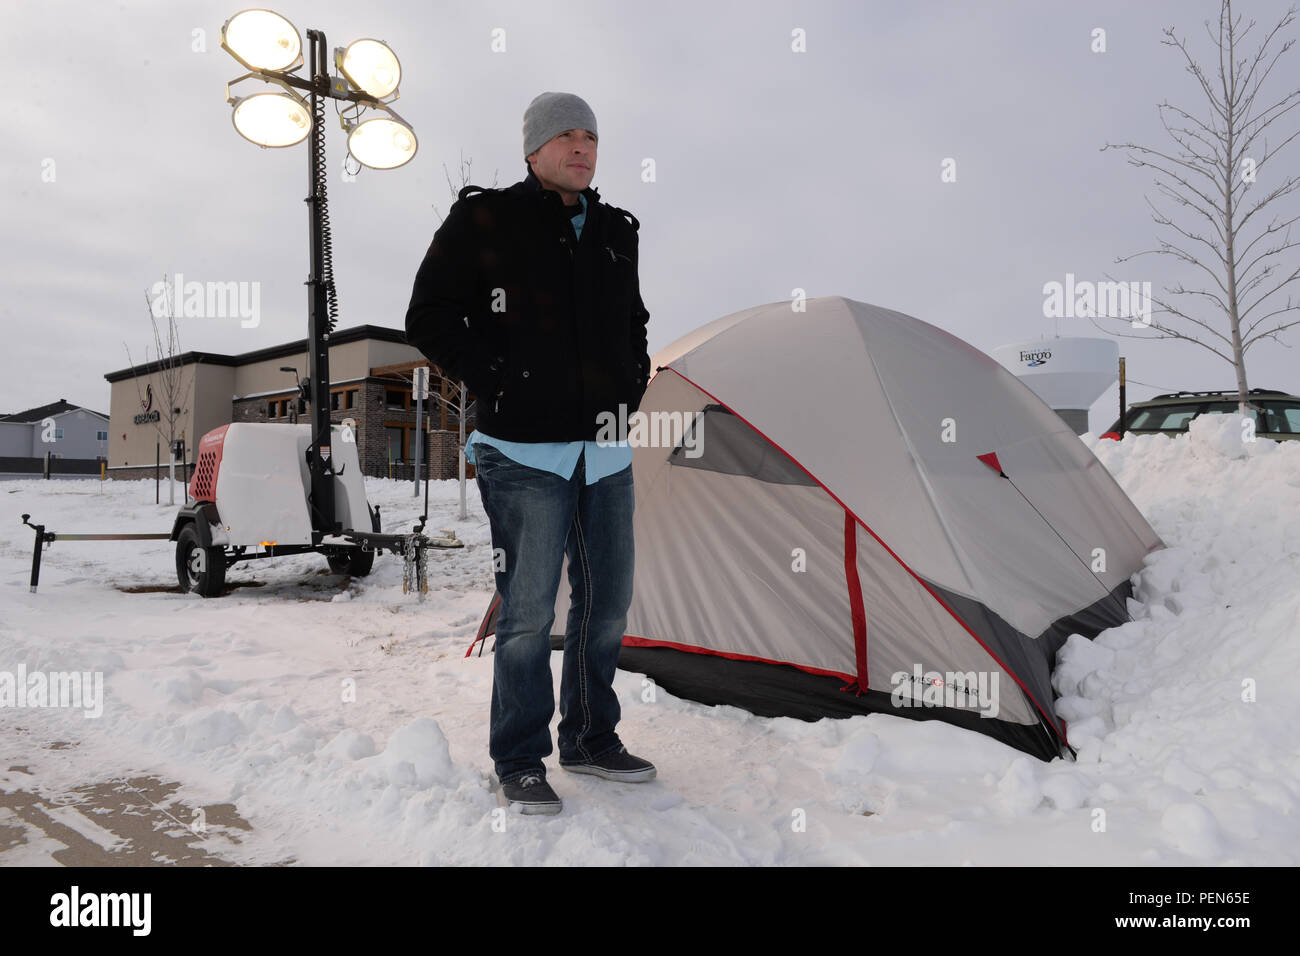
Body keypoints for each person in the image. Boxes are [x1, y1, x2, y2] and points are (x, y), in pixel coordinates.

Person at [404, 92, 654, 815]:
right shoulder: (486, 219)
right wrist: (497, 378)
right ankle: (518, 757)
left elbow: (634, 323)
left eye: (591, 137)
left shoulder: (615, 230)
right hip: (523, 451)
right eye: (566, 137)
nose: (582, 148)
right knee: (527, 611)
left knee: (606, 605)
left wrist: (630, 386)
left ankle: (589, 738)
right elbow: (427, 316)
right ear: (533, 150)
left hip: (604, 451)